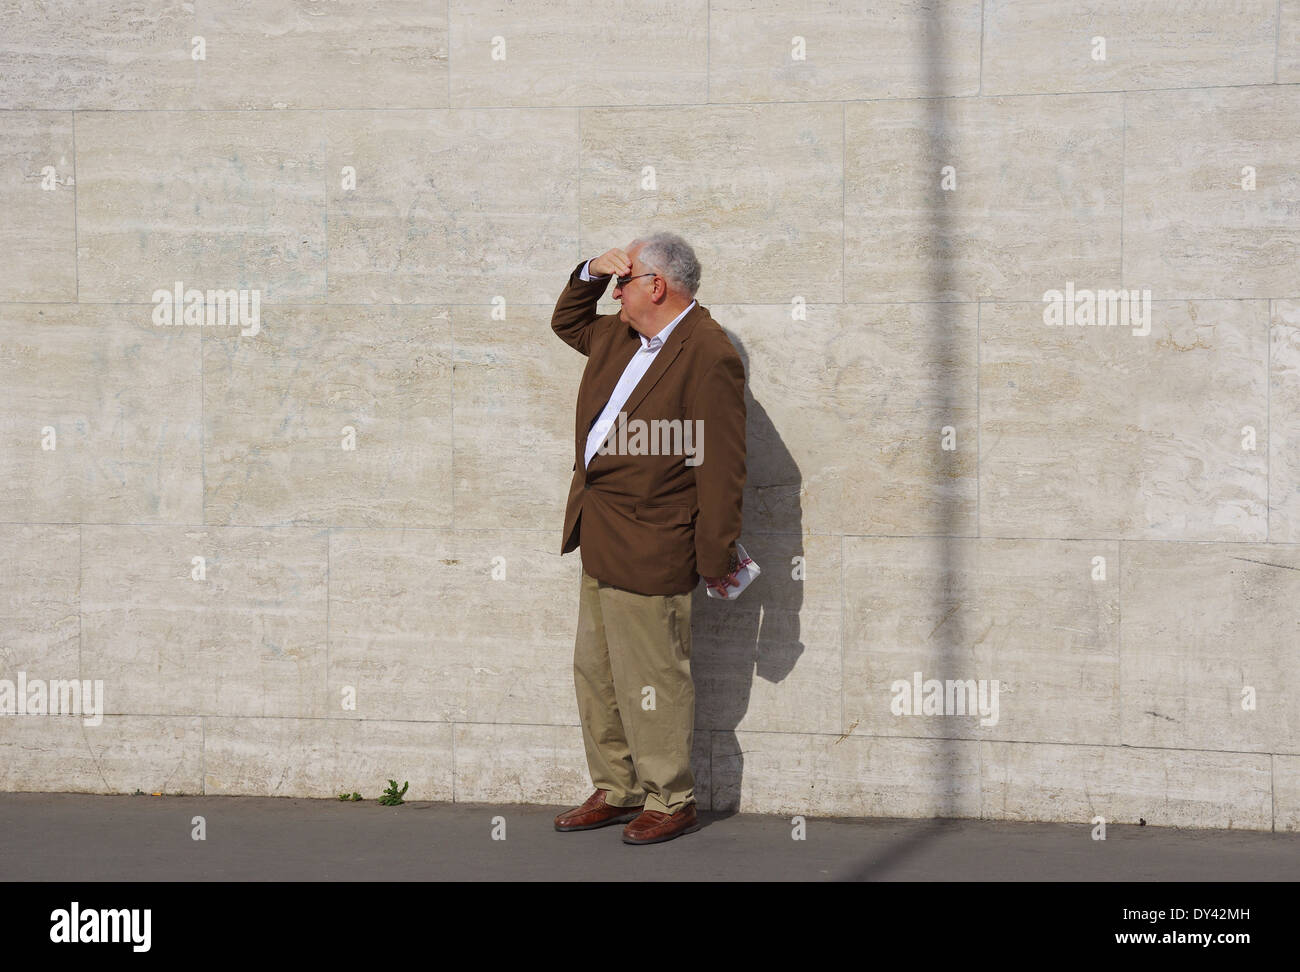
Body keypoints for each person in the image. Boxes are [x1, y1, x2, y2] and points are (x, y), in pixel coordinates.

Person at [549, 231, 747, 844]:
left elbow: (720, 465)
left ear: (656, 285)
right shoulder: (617, 335)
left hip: (655, 541)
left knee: (653, 680)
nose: (613, 293)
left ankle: (670, 797)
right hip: (600, 531)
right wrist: (588, 268)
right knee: (598, 673)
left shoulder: (708, 351)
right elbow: (566, 320)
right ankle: (617, 788)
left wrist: (714, 556)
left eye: (622, 281)